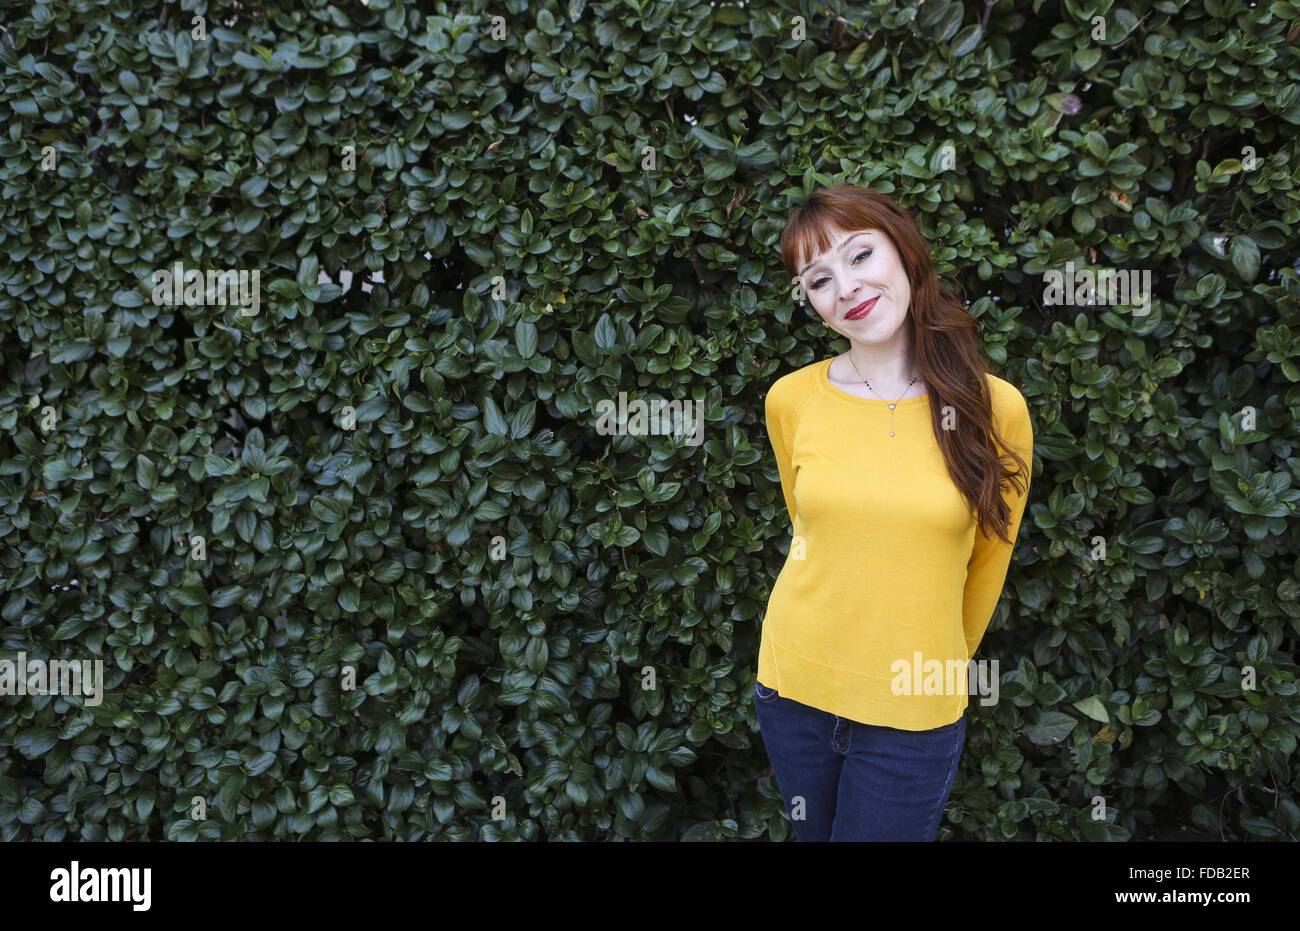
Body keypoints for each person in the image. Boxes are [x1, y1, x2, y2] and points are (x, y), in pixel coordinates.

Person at [756, 184, 1034, 841]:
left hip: (913, 708)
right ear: (815, 308)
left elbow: (989, 560)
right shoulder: (790, 400)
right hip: (793, 688)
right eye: (819, 279)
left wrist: (930, 663)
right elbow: (812, 532)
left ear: (905, 252)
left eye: (859, 256)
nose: (846, 286)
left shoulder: (996, 409)